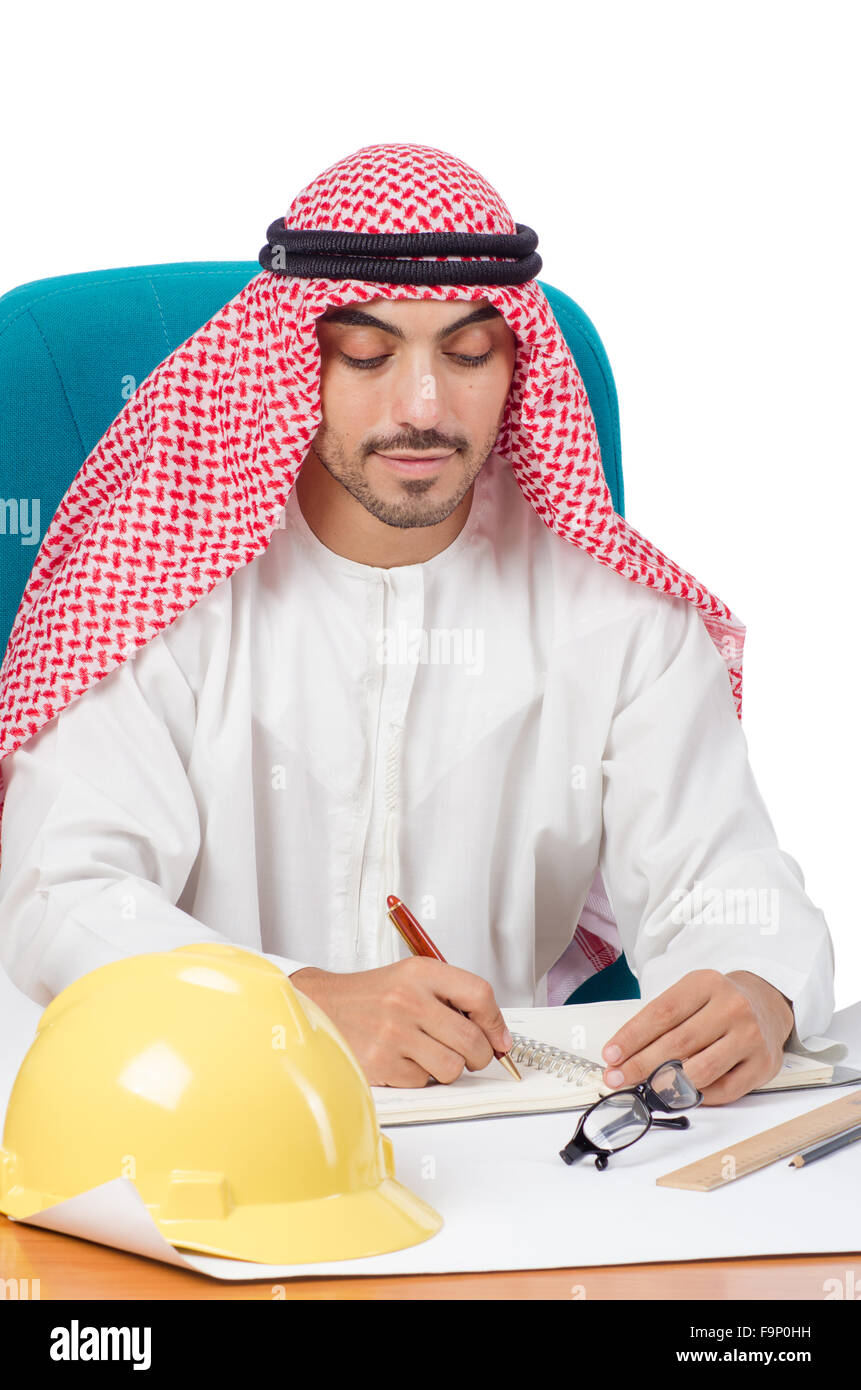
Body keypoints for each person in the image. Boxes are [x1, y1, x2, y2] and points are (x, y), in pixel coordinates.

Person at [0, 144, 836, 1105]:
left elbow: (726, 883)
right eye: (367, 354)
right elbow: (60, 895)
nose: (424, 407)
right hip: (193, 1120)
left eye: (469, 353)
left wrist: (755, 989)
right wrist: (298, 1007)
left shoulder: (616, 617)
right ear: (292, 356)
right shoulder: (148, 584)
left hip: (513, 1151)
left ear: (517, 361)